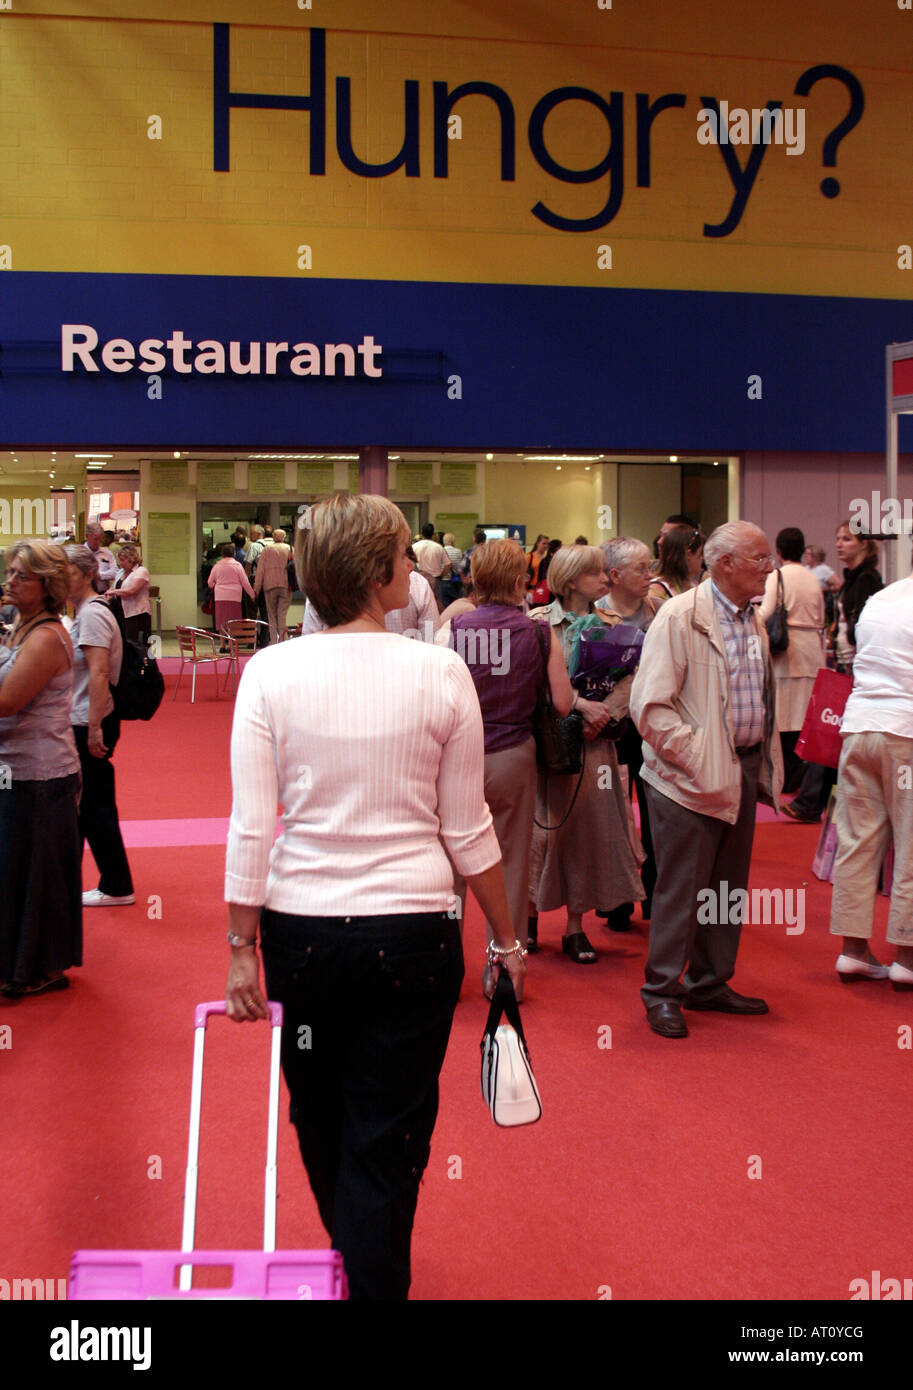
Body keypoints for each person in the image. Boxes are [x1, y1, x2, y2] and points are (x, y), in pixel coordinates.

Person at [222, 492, 522, 1301]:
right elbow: (468, 831)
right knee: (387, 1137)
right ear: (376, 568)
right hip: (415, 937)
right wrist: (505, 939)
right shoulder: (439, 671)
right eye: (401, 553)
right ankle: (372, 1272)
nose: (412, 566)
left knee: (319, 1121)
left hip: (301, 937)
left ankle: (363, 1269)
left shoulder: (271, 671)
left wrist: (240, 948)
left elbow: (253, 826)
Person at [630, 521, 783, 1038]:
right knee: (682, 888)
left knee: (726, 887)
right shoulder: (678, 616)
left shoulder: (752, 618)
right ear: (724, 565)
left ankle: (710, 982)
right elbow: (649, 707)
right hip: (688, 777)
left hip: (740, 766)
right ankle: (663, 992)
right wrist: (697, 757)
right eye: (759, 559)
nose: (771, 567)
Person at [449, 539, 574, 979]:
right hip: (514, 755)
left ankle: (446, 967)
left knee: (452, 868)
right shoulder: (540, 633)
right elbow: (562, 703)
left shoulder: (457, 629)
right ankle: (505, 966)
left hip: (460, 759)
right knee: (511, 864)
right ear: (522, 581)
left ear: (474, 580)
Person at [528, 545, 645, 962]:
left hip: (596, 745)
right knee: (541, 831)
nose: (605, 578)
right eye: (596, 572)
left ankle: (575, 928)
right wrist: (579, 705)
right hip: (550, 743)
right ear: (572, 578)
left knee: (584, 836)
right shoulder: (538, 624)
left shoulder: (614, 623)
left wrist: (604, 713)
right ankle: (528, 918)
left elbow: (632, 679)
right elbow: (535, 682)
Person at [0, 541, 82, 996]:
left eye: (21, 576)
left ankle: (38, 968)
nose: (10, 581)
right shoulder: (18, 626)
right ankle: (18, 963)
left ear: (47, 586)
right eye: (10, 573)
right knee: (16, 870)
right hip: (17, 770)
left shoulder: (48, 636)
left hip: (41, 774)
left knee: (34, 873)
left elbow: (8, 701)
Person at [828, 567, 913, 987]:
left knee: (856, 842)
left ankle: (853, 951)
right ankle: (908, 958)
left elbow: (852, 655)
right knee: (911, 846)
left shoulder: (880, 599)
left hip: (859, 726)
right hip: (906, 733)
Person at [782, 523, 882, 823]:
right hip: (846, 663)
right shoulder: (853, 579)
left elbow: (862, 624)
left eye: (847, 539)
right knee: (831, 729)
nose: (839, 544)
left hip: (855, 665)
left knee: (832, 730)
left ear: (864, 545)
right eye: (838, 538)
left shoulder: (866, 579)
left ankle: (811, 801)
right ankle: (812, 801)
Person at [595, 537, 663, 931]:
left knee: (656, 816)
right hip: (612, 728)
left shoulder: (660, 611)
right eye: (641, 568)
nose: (649, 575)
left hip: (653, 729)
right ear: (616, 575)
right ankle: (616, 899)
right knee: (615, 815)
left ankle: (656, 896)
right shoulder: (595, 616)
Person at [64, 544, 135, 908]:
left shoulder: (92, 614)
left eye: (68, 572)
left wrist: (93, 728)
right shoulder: (87, 612)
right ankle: (112, 881)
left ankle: (117, 883)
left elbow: (99, 672)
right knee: (90, 804)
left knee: (93, 804)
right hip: (88, 716)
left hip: (90, 718)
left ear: (86, 574)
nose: (61, 580)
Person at [758, 527, 825, 795]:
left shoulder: (778, 575)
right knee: (804, 717)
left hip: (788, 653)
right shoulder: (812, 578)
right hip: (812, 651)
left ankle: (788, 776)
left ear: (779, 551)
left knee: (784, 717)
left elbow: (767, 610)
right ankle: (803, 776)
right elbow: (821, 617)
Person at [207, 541, 256, 644]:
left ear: (222, 554)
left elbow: (210, 582)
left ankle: (222, 645)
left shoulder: (217, 566)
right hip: (235, 597)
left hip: (220, 596)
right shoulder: (237, 566)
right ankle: (230, 644)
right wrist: (252, 594)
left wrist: (217, 586)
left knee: (221, 620)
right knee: (233, 621)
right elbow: (245, 582)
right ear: (233, 554)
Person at [253, 526, 292, 643]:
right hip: (286, 586)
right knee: (282, 615)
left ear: (274, 537)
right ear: (284, 537)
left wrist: (256, 588)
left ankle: (274, 642)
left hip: (269, 586)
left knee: (271, 616)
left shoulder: (266, 550)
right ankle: (283, 641)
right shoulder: (290, 549)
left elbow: (260, 571)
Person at [648, 527, 705, 602]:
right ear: (688, 554)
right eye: (700, 554)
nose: (703, 559)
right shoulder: (657, 591)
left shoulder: (695, 584)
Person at [111, 544, 152, 646]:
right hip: (122, 613)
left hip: (137, 615)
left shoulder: (141, 571)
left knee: (136, 645)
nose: (121, 563)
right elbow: (112, 588)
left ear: (131, 559)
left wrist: (113, 592)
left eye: (123, 560)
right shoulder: (121, 572)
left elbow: (131, 591)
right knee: (123, 643)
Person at [413, 522, 450, 607]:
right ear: (433, 534)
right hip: (435, 579)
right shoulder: (438, 547)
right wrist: (441, 576)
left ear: (421, 532)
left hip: (418, 579)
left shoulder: (414, 547)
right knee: (435, 604)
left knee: (418, 604)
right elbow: (448, 565)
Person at [84, 521, 118, 594]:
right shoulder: (79, 553)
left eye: (100, 539)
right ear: (87, 536)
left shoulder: (107, 553)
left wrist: (100, 575)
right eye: (95, 539)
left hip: (103, 593)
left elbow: (115, 572)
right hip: (84, 594)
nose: (98, 542)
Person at [440, 533, 464, 606]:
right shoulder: (458, 551)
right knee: (456, 605)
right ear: (453, 542)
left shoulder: (440, 550)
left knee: (444, 606)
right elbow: (459, 568)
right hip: (455, 581)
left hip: (442, 581)